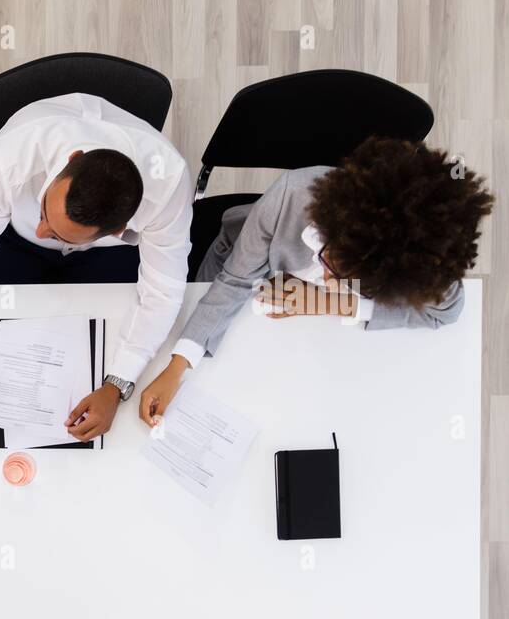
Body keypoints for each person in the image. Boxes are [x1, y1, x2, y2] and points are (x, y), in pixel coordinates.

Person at [137, 137, 495, 425]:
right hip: (244, 267)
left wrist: (332, 302)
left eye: (348, 279)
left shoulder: (419, 266)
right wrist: (177, 366)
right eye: (330, 262)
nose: (327, 278)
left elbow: (448, 311)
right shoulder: (292, 195)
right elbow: (233, 281)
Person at [0, 92, 192, 438]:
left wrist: (117, 383)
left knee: (106, 335)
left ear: (117, 230)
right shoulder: (12, 155)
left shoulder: (169, 182)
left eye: (55, 232)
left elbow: (163, 292)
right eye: (44, 210)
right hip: (10, 239)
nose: (42, 230)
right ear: (72, 158)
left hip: (105, 257)